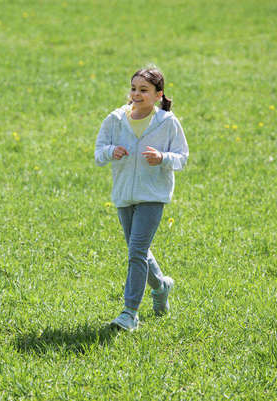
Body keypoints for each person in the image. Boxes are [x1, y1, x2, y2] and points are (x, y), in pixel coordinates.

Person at [95, 67, 189, 331]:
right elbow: (98, 152)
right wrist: (112, 151)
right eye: (134, 88)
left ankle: (129, 313)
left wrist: (162, 158)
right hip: (124, 194)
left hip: (152, 195)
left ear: (158, 95)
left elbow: (182, 157)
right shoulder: (115, 119)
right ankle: (161, 286)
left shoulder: (167, 122)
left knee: (136, 252)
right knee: (138, 250)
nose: (136, 94)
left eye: (143, 90)